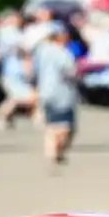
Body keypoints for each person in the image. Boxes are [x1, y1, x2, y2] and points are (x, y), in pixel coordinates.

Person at [34, 22, 79, 166]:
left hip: (46, 91)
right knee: (66, 127)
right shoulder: (62, 53)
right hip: (62, 93)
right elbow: (70, 71)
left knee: (51, 125)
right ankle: (57, 151)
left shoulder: (41, 51)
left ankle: (51, 152)